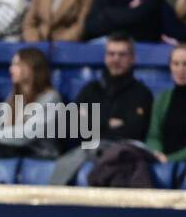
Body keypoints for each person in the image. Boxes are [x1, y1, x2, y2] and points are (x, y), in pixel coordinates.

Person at [51, 33, 154, 182]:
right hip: (85, 151)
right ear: (105, 57)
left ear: (132, 58)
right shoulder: (90, 90)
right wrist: (107, 122)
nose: (116, 59)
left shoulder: (142, 93)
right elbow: (69, 127)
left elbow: (134, 131)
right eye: (111, 54)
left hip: (121, 156)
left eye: (122, 54)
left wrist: (90, 121)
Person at [0, 47, 61, 157]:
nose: (11, 69)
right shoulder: (17, 95)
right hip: (15, 151)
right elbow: (3, 125)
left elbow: (25, 135)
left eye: (16, 65)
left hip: (40, 157)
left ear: (31, 68)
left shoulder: (51, 98)